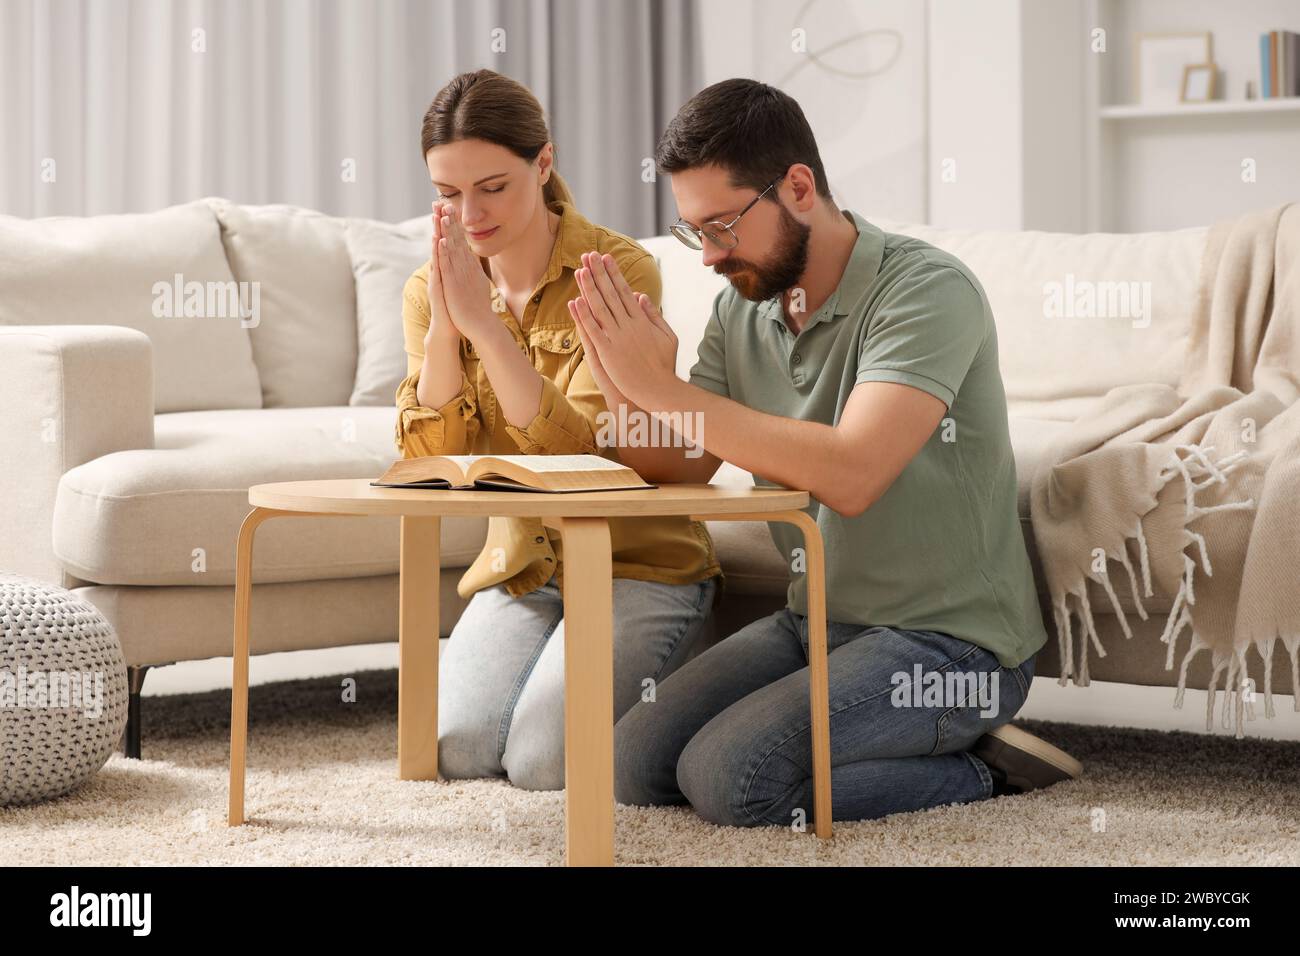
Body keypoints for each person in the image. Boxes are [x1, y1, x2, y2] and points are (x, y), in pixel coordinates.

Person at [568, 78, 1082, 827]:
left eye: (723, 226)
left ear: (799, 187)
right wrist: (626, 381)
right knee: (633, 763)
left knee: (731, 781)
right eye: (694, 232)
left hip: (951, 649)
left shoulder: (926, 289)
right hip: (814, 624)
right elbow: (684, 465)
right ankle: (885, 743)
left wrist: (668, 392)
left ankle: (980, 769)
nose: (709, 257)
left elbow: (853, 472)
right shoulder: (740, 307)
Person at [395, 69, 721, 792]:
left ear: (544, 163)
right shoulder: (428, 288)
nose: (470, 214)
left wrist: (486, 325)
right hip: (525, 569)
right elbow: (429, 459)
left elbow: (589, 462)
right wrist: (449, 327)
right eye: (448, 194)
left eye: (493, 186)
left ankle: (681, 670)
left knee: (544, 765)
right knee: (454, 749)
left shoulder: (616, 270)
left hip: (636, 564)